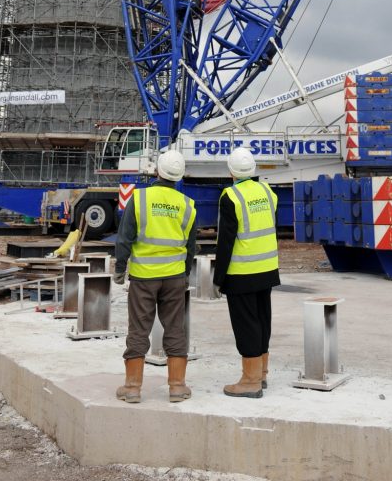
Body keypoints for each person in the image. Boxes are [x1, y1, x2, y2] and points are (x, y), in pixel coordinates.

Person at [113, 148, 197, 404]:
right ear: (179, 176)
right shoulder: (187, 205)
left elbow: (124, 237)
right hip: (174, 277)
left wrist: (120, 268)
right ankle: (177, 386)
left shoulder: (138, 199)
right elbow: (191, 247)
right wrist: (184, 273)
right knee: (175, 329)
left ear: (157, 170)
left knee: (139, 329)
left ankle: (132, 388)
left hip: (144, 277)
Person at [213, 146, 279, 398]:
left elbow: (225, 241)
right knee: (263, 320)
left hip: (242, 272)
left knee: (246, 324)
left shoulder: (230, 196)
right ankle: (261, 373)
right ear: (253, 169)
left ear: (231, 171)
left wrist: (219, 278)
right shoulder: (268, 192)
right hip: (267, 269)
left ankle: (250, 381)